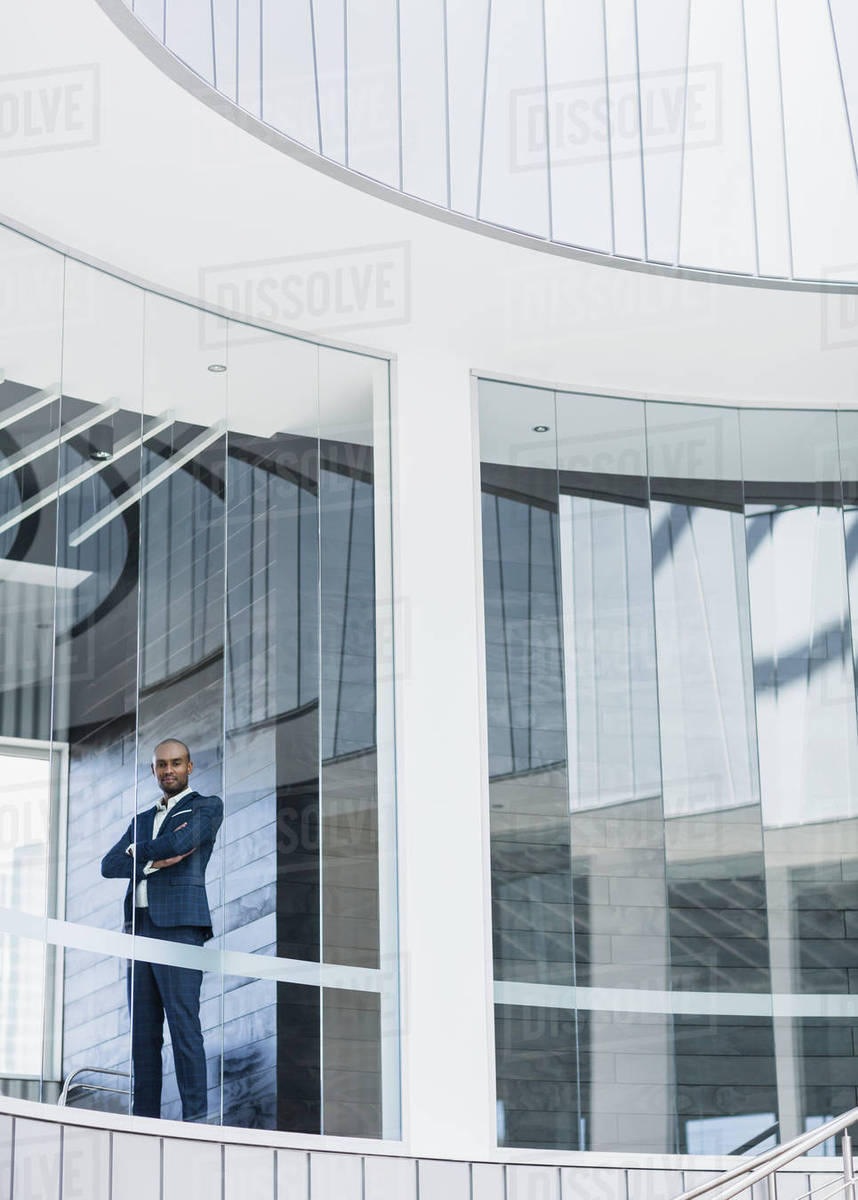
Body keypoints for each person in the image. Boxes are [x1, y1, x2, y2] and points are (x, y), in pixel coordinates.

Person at [101, 739, 223, 1122]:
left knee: (184, 1026)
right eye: (161, 765)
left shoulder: (206, 806)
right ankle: (144, 1121)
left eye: (176, 763)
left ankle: (197, 1121)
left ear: (189, 767)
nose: (168, 770)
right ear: (153, 771)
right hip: (139, 930)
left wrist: (137, 852)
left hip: (179, 928)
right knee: (144, 1035)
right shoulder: (140, 819)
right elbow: (108, 865)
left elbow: (183, 841)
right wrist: (154, 860)